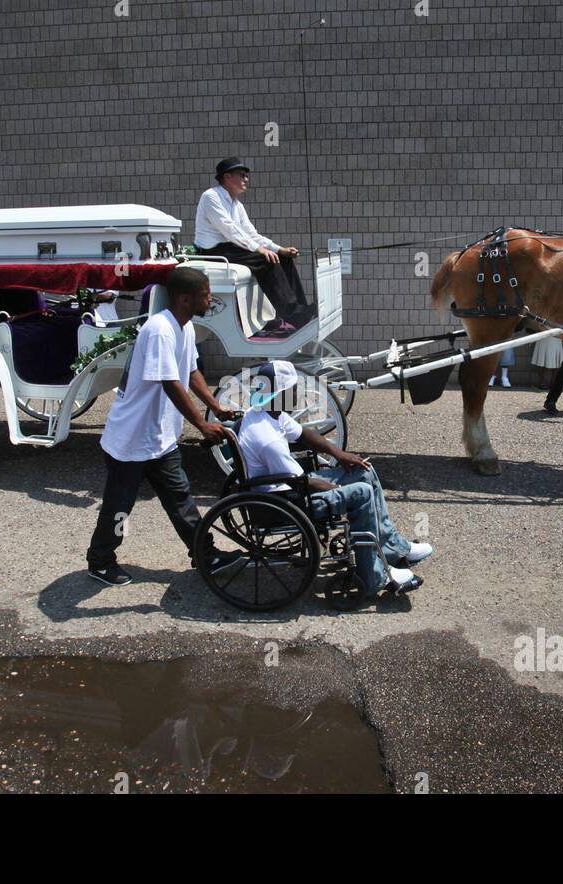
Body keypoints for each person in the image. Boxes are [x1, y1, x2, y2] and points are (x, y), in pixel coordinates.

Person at [86, 266, 244, 586]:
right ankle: (100, 560)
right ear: (185, 298)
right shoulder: (160, 329)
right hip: (130, 439)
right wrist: (201, 425)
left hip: (159, 438)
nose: (210, 299)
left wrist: (215, 406)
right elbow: (171, 383)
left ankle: (205, 554)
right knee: (120, 508)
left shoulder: (183, 327)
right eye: (205, 294)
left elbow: (191, 371)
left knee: (181, 498)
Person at [236, 360, 429, 597]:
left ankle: (391, 548)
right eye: (294, 388)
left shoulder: (266, 412)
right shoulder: (268, 440)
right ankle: (374, 576)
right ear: (281, 392)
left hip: (289, 485)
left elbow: (304, 435)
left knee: (363, 470)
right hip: (286, 500)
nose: (298, 392)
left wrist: (340, 454)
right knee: (361, 492)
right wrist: (336, 487)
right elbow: (302, 482)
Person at [194, 157, 311, 338]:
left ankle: (300, 311)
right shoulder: (211, 196)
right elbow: (230, 230)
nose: (246, 179)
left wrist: (279, 249)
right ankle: (293, 314)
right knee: (266, 259)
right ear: (227, 177)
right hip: (214, 251)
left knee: (282, 258)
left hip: (231, 248)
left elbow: (251, 233)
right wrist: (259, 249)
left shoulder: (236, 204)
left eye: (246, 175)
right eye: (242, 175)